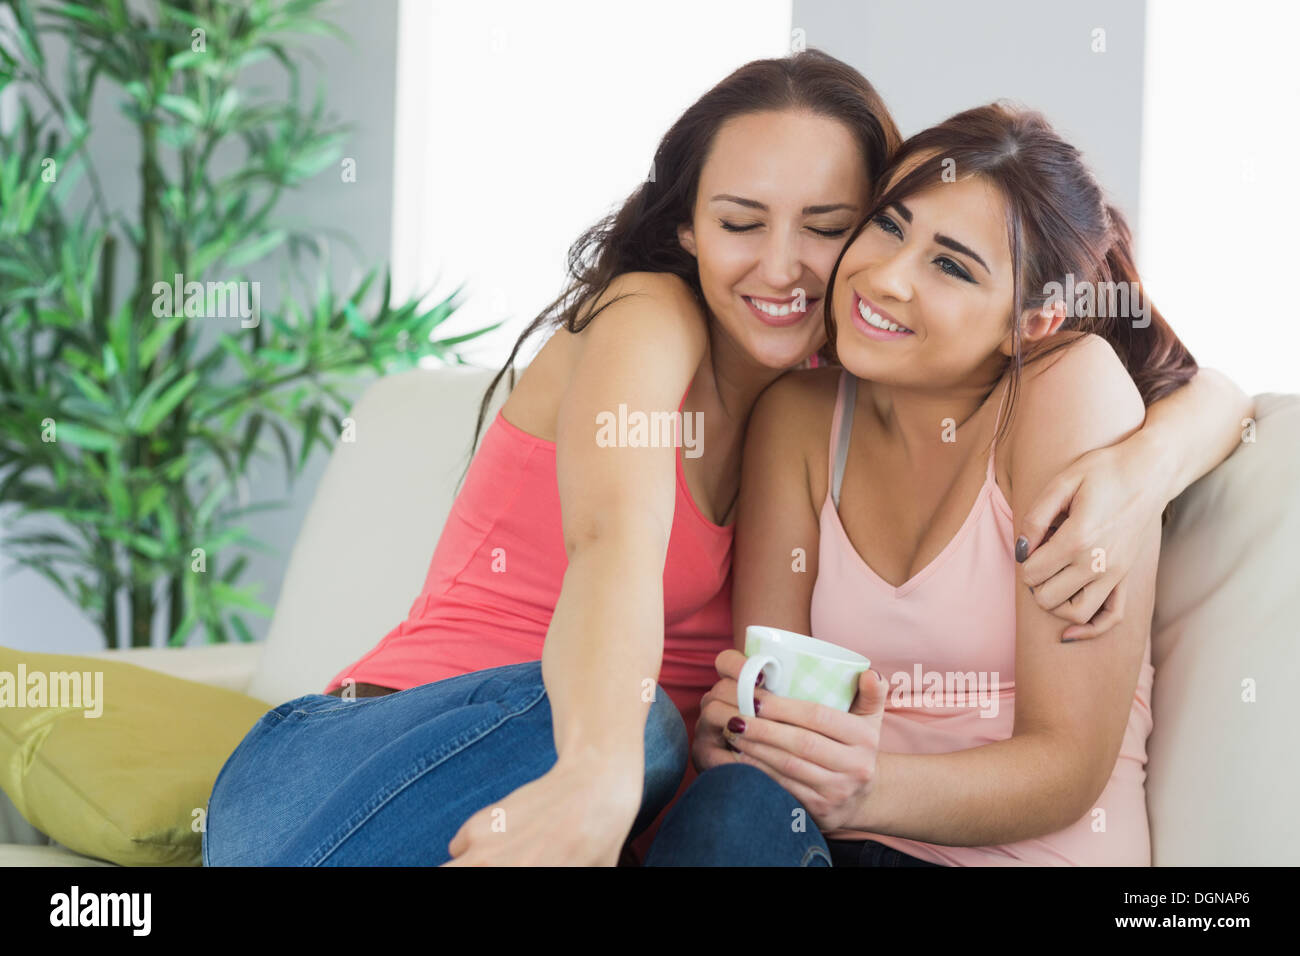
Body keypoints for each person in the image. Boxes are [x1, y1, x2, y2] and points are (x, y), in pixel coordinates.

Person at [204, 52, 1251, 866]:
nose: (786, 268)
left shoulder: (835, 392)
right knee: (648, 732)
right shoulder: (647, 318)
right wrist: (606, 771)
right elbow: (612, 544)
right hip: (379, 756)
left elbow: (1198, 389)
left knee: (703, 782)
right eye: (741, 222)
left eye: (829, 226)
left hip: (602, 802)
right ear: (689, 229)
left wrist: (1148, 464)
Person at [647, 101, 1251, 866]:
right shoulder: (797, 417)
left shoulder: (1065, 392)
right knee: (731, 805)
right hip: (831, 845)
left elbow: (1069, 763)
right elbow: (775, 698)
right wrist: (749, 739)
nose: (887, 278)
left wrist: (862, 788)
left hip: (1015, 857)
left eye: (952, 265)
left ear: (1031, 321)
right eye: (889, 226)